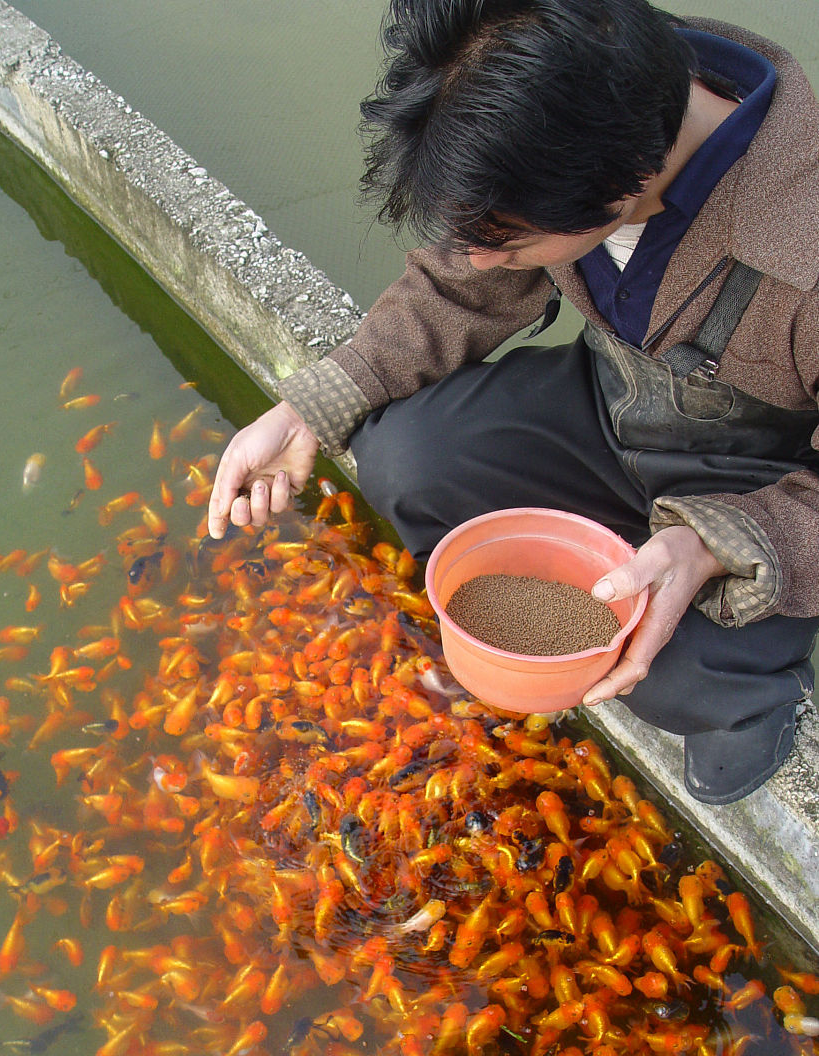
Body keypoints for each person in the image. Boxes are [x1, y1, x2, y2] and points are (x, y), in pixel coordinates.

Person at [209, 0, 819, 804]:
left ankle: (752, 705)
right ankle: (560, 615)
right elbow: (461, 281)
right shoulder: (568, 87)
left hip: (751, 476)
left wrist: (716, 544)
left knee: (663, 670)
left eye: (509, 241)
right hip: (605, 404)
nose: (481, 256)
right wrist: (306, 408)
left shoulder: (799, 244)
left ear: (619, 186)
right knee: (405, 456)